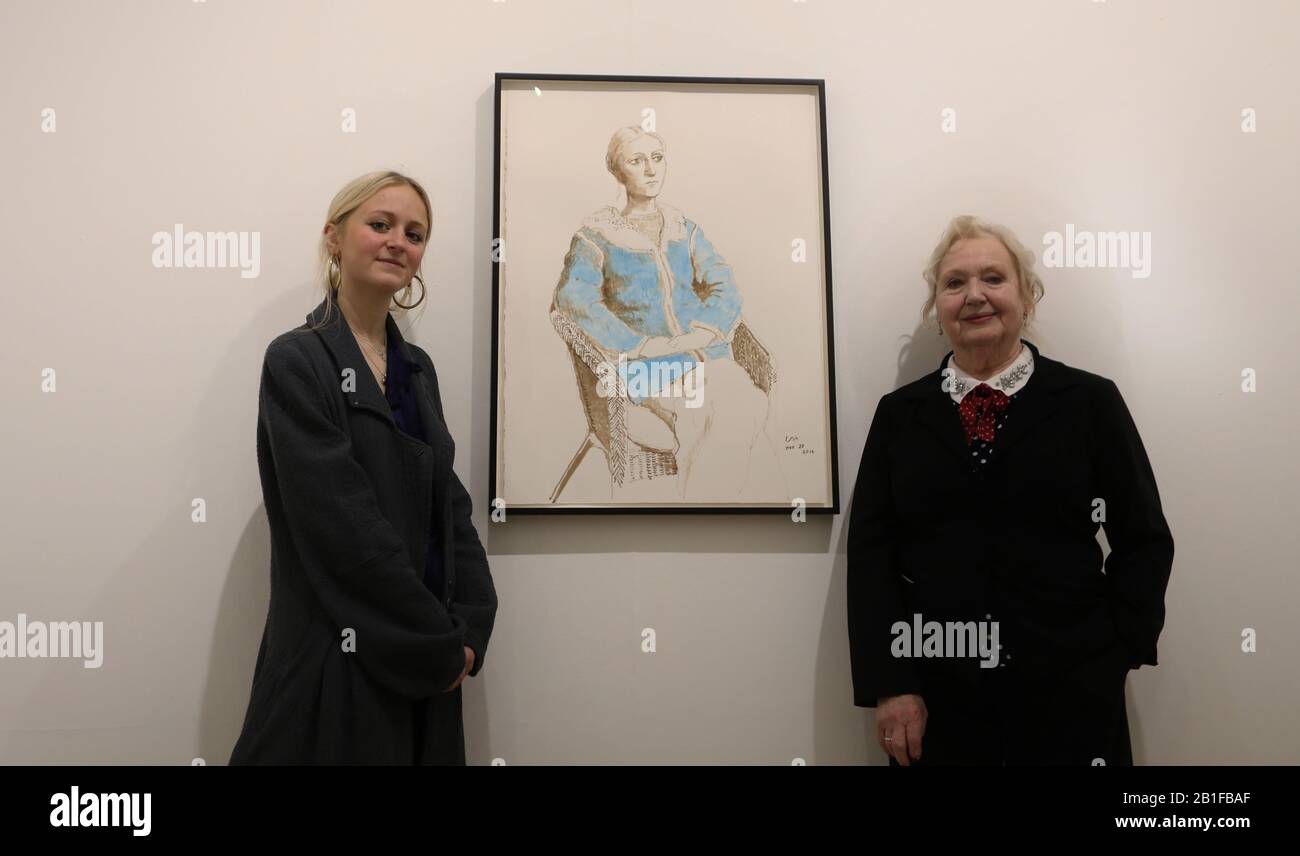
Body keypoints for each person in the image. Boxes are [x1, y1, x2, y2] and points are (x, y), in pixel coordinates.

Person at [846, 215, 1174, 765]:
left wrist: (1111, 652)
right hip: (939, 700)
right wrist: (892, 683)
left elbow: (1143, 539)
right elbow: (872, 556)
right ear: (938, 307)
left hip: (1071, 699)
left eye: (993, 278)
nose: (974, 295)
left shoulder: (1089, 403)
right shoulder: (900, 416)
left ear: (1026, 297)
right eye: (954, 283)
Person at [230, 170, 497, 764]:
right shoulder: (298, 360)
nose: (398, 241)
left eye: (415, 233)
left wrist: (472, 631)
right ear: (334, 238)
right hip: (339, 655)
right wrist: (434, 641)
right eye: (380, 225)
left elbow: (449, 508)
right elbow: (342, 527)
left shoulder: (417, 368)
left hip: (429, 665)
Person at [551, 126, 771, 500]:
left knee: (739, 398)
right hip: (648, 370)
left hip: (708, 358)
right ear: (618, 172)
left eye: (657, 158)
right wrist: (642, 345)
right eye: (637, 161)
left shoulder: (684, 230)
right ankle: (711, 511)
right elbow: (574, 301)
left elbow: (724, 285)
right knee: (731, 406)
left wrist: (706, 332)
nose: (651, 170)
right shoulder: (595, 236)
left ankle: (704, 506)